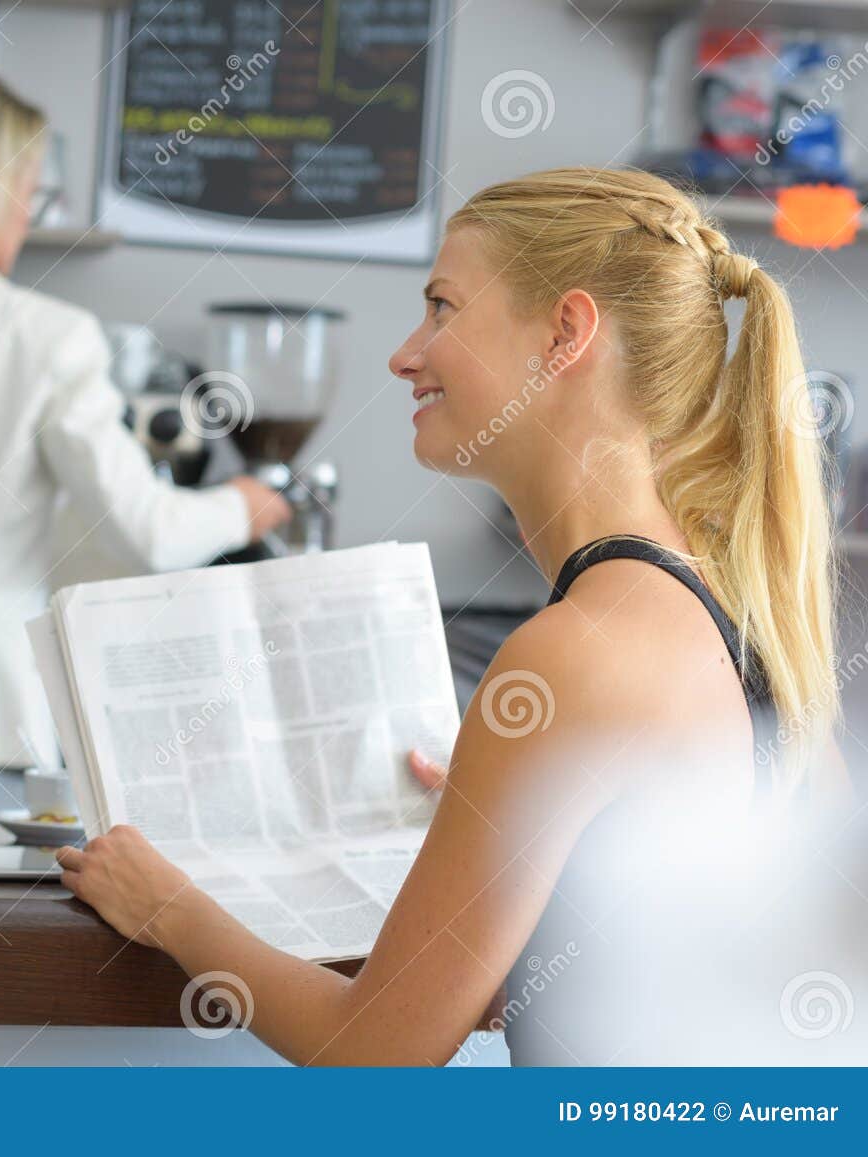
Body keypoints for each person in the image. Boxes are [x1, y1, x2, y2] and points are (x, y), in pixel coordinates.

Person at [57, 167, 858, 1065]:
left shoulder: (572, 658)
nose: (406, 355)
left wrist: (169, 905)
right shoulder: (745, 625)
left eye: (442, 307)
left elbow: (369, 1057)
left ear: (565, 335)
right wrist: (519, 840)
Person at [0, 64, 292, 791]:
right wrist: (244, 505)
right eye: (29, 189)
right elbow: (147, 533)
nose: (28, 214)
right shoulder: (49, 335)